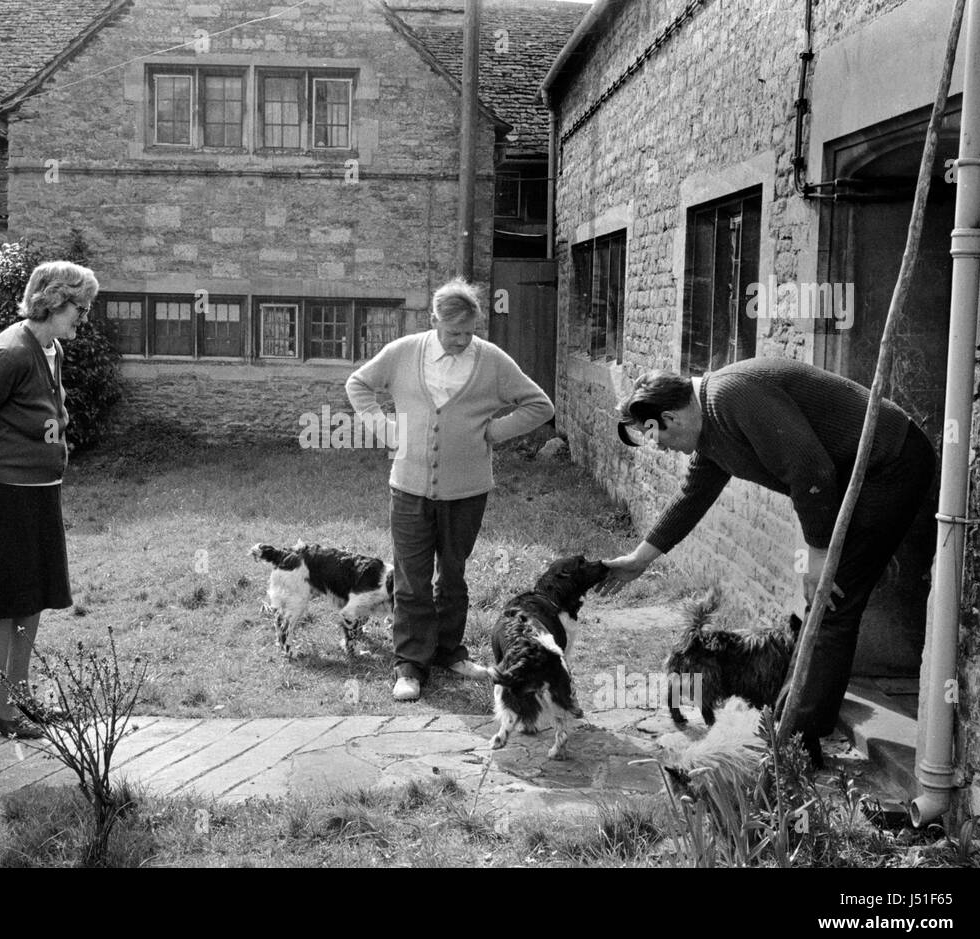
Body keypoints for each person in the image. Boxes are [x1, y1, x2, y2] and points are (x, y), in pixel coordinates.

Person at [598, 356, 936, 763]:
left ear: (670, 418)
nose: (659, 446)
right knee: (829, 604)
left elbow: (811, 471)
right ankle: (795, 736)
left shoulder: (733, 397)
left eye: (653, 434)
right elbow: (693, 495)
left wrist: (818, 556)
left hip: (891, 462)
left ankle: (793, 744)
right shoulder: (711, 427)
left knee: (832, 601)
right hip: (860, 476)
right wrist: (640, 558)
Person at [346, 277, 554, 702]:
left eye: (470, 332)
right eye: (453, 332)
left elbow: (539, 405)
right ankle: (410, 665)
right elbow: (358, 385)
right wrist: (385, 429)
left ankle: (449, 653)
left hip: (468, 490)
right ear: (434, 320)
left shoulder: (492, 360)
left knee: (453, 574)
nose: (462, 340)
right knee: (411, 578)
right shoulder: (404, 352)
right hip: (408, 486)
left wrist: (493, 431)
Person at [0, 260, 97, 739]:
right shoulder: (11, 351)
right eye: (79, 307)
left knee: (32, 600)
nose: (82, 318)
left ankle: (21, 702)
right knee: (3, 602)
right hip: (4, 495)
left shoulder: (50, 350)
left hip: (39, 492)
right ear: (51, 300)